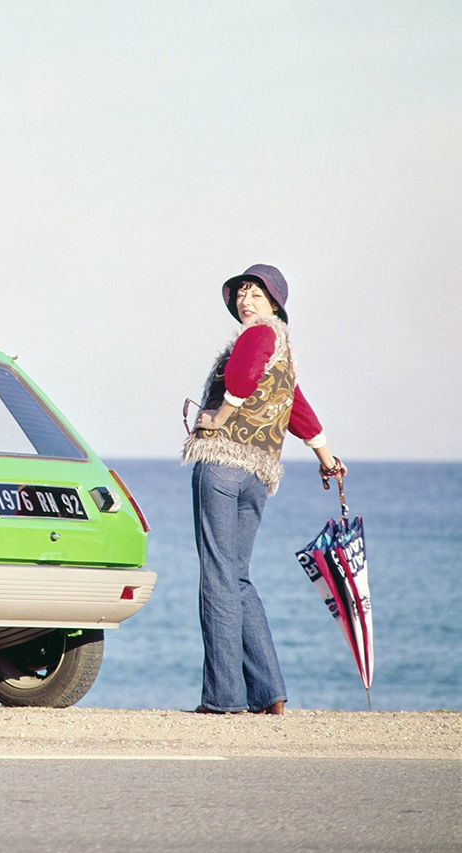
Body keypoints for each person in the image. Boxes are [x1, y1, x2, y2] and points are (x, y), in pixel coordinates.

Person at [182, 264, 346, 715]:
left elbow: (243, 378)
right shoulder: (284, 351)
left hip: (222, 465)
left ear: (274, 304)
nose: (245, 301)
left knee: (217, 577)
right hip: (258, 476)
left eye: (255, 294)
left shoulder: (257, 337)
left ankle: (223, 699)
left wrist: (218, 416)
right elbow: (298, 409)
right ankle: (268, 693)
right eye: (241, 295)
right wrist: (327, 458)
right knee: (237, 577)